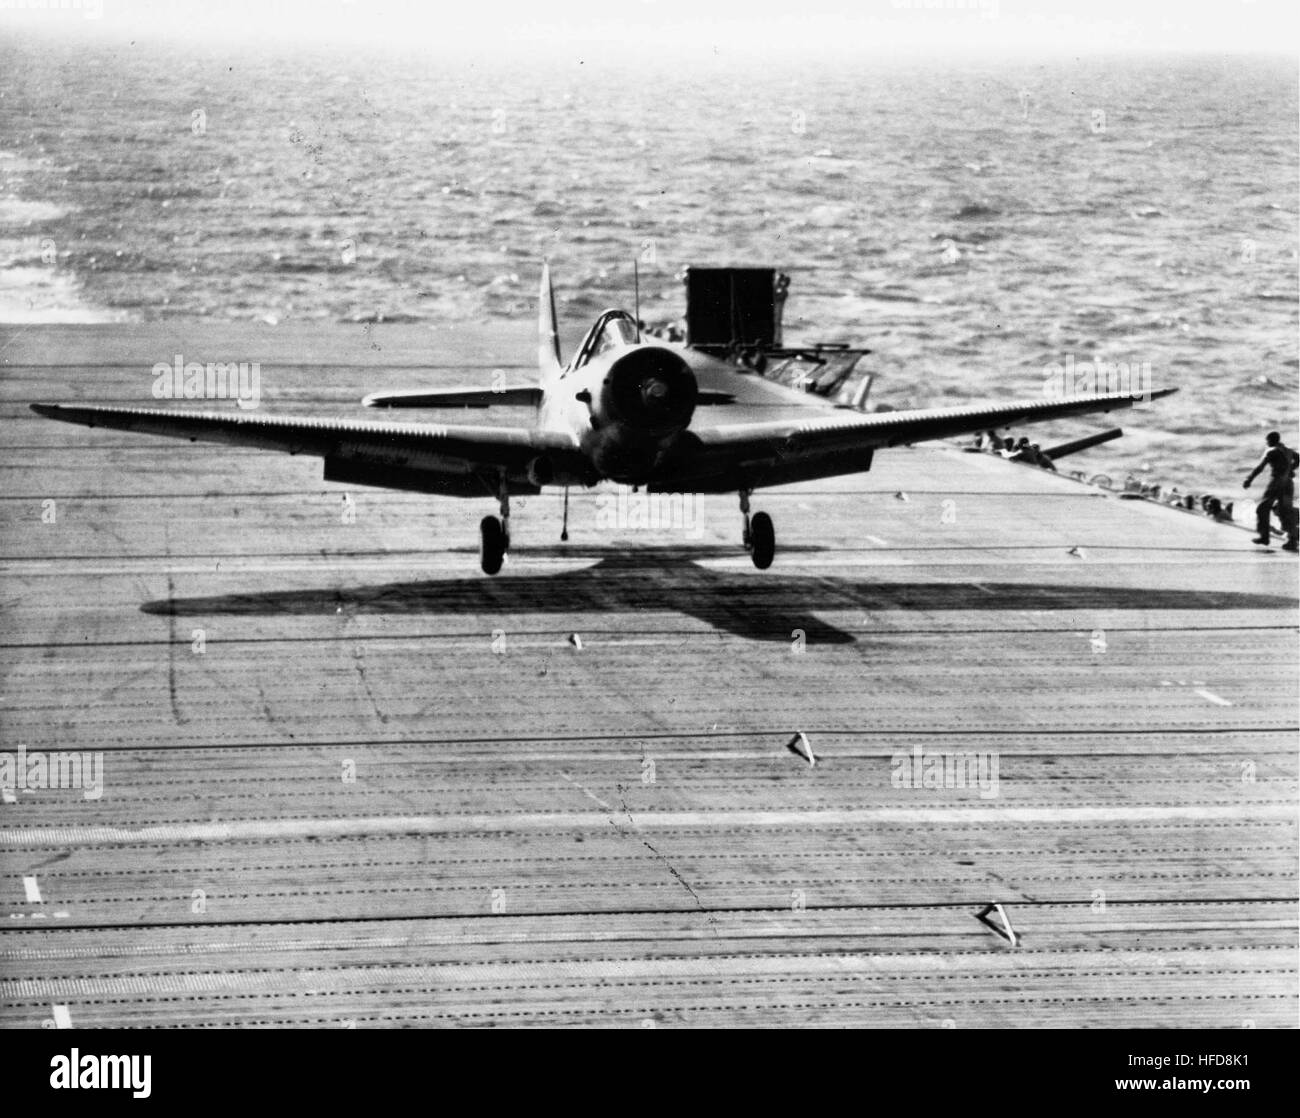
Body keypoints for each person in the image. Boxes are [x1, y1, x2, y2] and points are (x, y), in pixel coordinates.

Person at [1243, 431, 1299, 552]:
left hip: (1277, 483)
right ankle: (1292, 540)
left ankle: (1264, 537)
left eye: (1267, 441)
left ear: (1271, 440)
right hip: (1288, 483)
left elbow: (1260, 467)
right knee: (1285, 511)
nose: (1266, 443)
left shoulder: (1271, 451)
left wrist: (1249, 479)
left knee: (1263, 508)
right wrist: (1291, 468)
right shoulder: (1289, 450)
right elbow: (1298, 458)